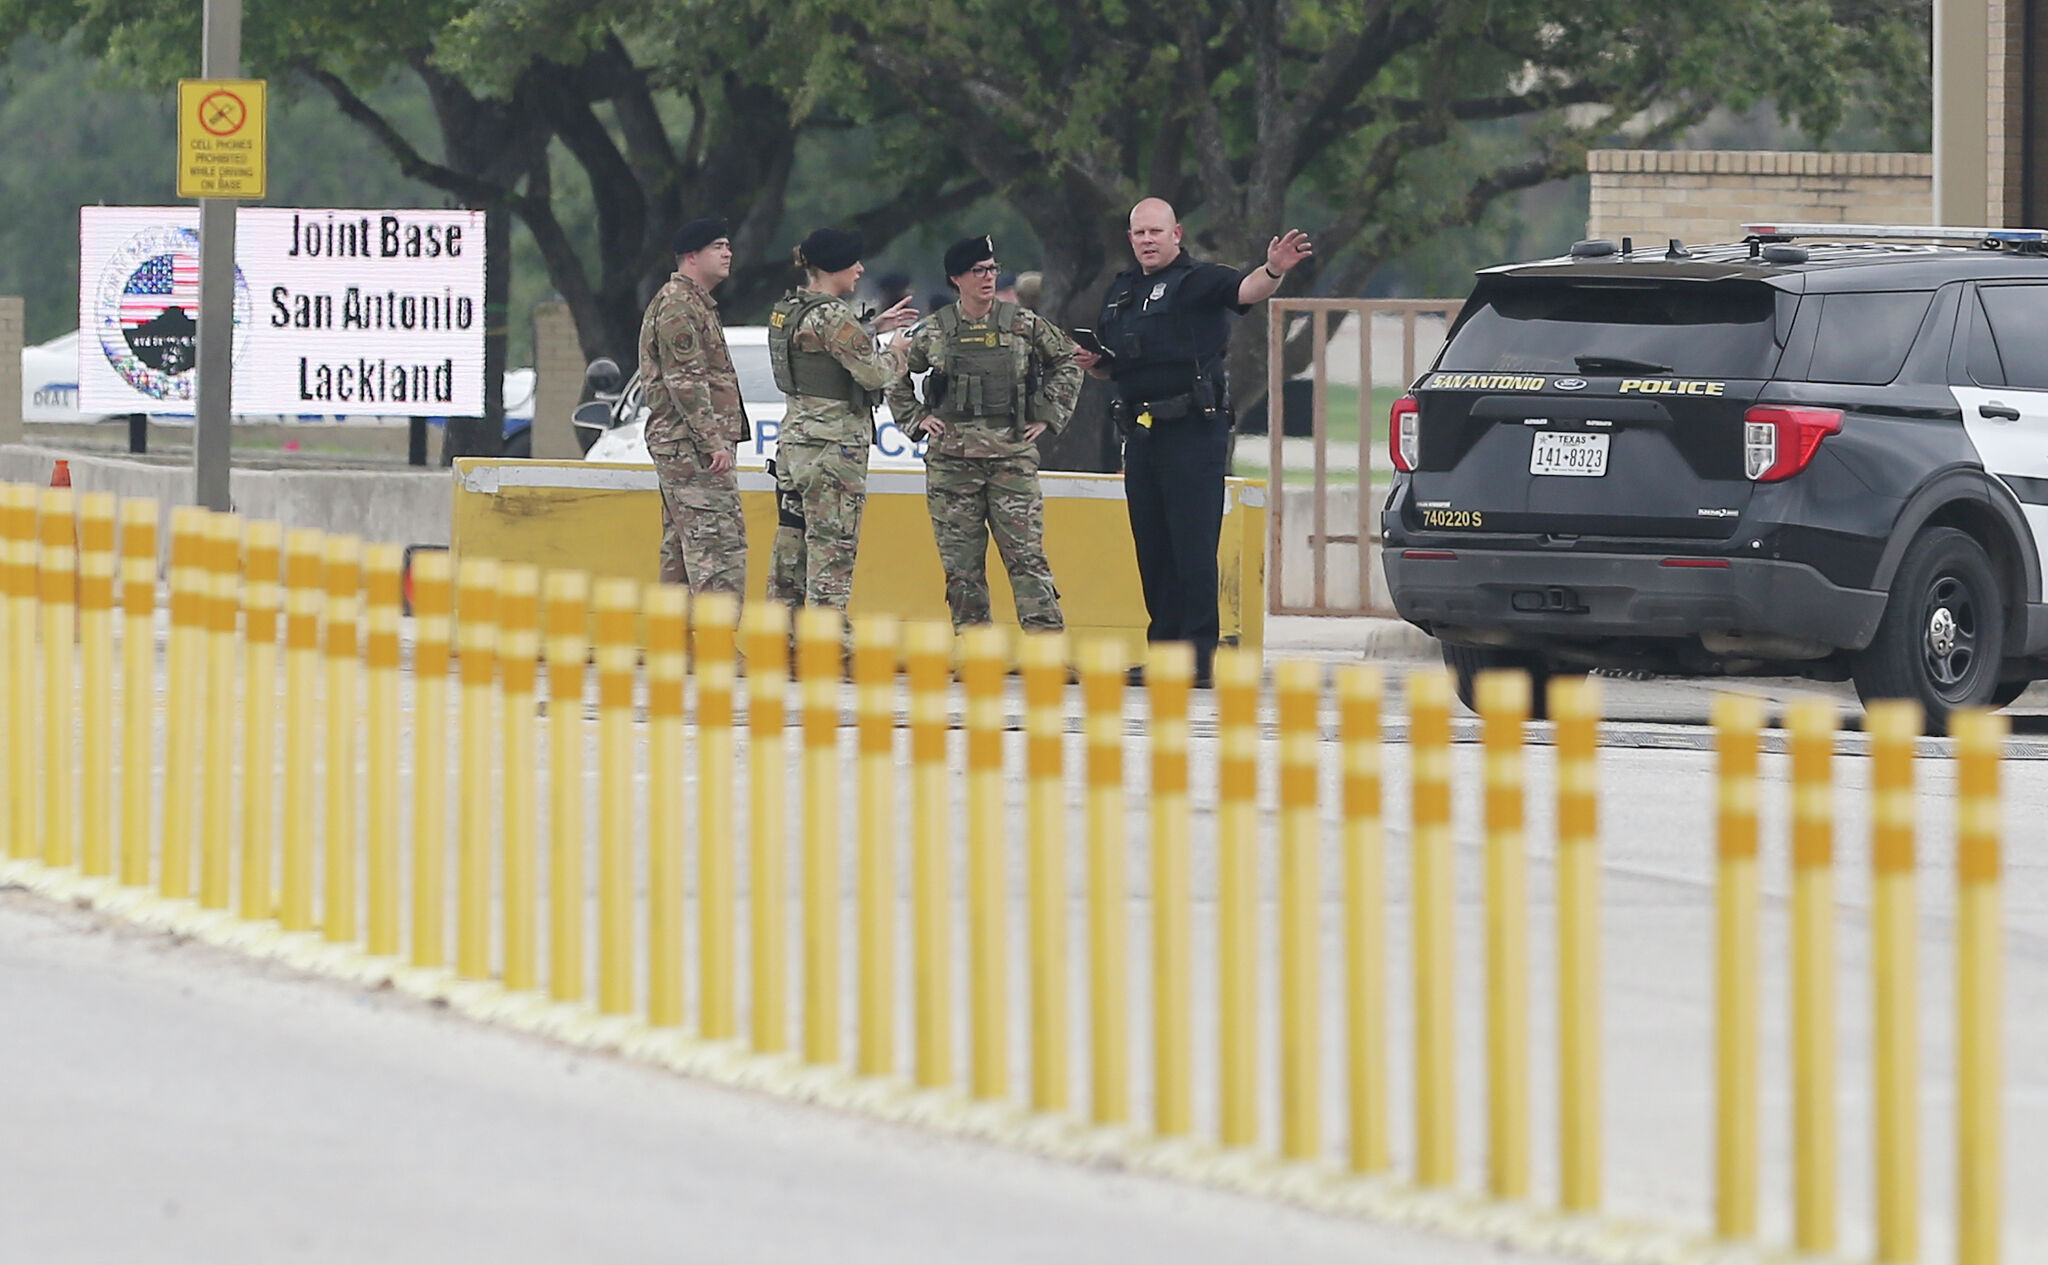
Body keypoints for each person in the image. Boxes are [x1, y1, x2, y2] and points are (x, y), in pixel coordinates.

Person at [1073, 198, 1312, 685]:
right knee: (1153, 547)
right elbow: (1115, 364)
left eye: (1155, 232)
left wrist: (1273, 268)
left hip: (1192, 432)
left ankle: (1199, 659)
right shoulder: (1121, 292)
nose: (1146, 240)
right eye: (1139, 233)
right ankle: (1163, 655)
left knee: (1193, 545)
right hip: (1141, 433)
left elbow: (1247, 289)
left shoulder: (1199, 280)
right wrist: (1094, 363)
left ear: (1176, 234)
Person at [887, 236, 1081, 633]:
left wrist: (1047, 414)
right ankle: (975, 649)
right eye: (978, 270)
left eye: (992, 269)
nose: (988, 277)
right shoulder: (935, 330)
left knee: (1027, 558)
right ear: (956, 278)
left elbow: (1068, 360)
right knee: (962, 566)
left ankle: (1045, 645)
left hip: (1011, 458)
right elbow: (894, 368)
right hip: (952, 463)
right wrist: (915, 417)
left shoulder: (1023, 324)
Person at [765, 227, 918, 614]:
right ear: (836, 266)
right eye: (854, 262)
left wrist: (870, 327)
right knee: (832, 549)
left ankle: (783, 640)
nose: (861, 270)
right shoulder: (833, 316)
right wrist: (897, 349)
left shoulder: (789, 309)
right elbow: (875, 375)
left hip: (797, 447)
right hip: (833, 450)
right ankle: (829, 646)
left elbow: (820, 346)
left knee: (791, 549)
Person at [637, 217, 749, 593]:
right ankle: (716, 648)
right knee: (718, 546)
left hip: (687, 445)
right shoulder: (679, 307)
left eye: (728, 245)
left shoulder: (693, 304)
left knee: (681, 550)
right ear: (691, 257)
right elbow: (686, 382)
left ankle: (675, 644)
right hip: (691, 448)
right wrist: (712, 442)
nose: (727, 253)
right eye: (718, 246)